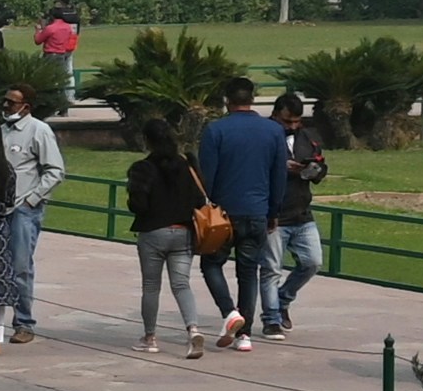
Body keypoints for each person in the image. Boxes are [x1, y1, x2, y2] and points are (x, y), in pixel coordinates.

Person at [191, 84, 286, 353]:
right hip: (257, 211)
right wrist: (274, 212)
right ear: (253, 99)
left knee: (211, 264)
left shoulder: (216, 130)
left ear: (226, 100)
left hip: (224, 213)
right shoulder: (274, 131)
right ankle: (245, 335)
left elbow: (206, 176)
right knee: (248, 272)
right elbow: (278, 176)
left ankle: (229, 311)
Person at [0, 76, 61, 350]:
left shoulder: (39, 131)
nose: (5, 105)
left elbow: (55, 171)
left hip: (22, 210)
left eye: (11, 102)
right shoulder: (0, 130)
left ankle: (24, 323)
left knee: (20, 267)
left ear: (25, 107)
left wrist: (32, 200)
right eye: (4, 101)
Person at [126, 120, 209, 354]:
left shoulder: (143, 168)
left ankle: (150, 337)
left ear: (147, 141)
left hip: (153, 233)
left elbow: (138, 205)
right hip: (183, 232)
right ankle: (193, 330)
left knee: (151, 286)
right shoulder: (186, 164)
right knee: (182, 284)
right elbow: (200, 200)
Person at [265, 91, 327, 335]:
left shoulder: (308, 138)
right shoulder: (265, 137)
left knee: (313, 262)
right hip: (274, 215)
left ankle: (283, 299)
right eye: (287, 121)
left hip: (302, 213)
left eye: (296, 122)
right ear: (275, 115)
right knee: (271, 269)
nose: (292, 126)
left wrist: (314, 170)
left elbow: (321, 166)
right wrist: (280, 167)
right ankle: (270, 318)